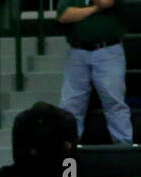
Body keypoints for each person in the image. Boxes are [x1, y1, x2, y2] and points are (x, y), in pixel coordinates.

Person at [56, 0, 132, 145]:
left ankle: (123, 147)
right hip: (77, 52)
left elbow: (105, 2)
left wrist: (84, 9)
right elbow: (64, 15)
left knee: (114, 101)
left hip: (108, 50)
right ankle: (68, 150)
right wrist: (94, 9)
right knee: (71, 104)